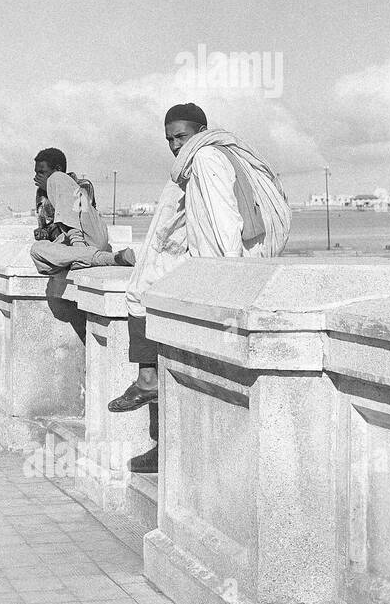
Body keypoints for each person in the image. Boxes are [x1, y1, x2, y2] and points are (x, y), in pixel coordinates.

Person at [110, 103, 291, 473]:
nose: (175, 145)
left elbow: (225, 218)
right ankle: (158, 426)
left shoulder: (206, 157)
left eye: (181, 136)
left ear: (201, 130)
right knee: (145, 297)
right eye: (169, 139)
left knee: (142, 297)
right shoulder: (208, 155)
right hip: (206, 264)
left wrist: (229, 278)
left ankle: (150, 389)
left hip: (217, 270)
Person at [29, 148, 135, 273]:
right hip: (70, 247)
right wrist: (44, 232)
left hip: (89, 237)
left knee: (56, 179)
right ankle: (103, 258)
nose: (36, 177)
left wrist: (51, 185)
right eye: (36, 173)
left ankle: (80, 251)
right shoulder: (41, 194)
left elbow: (78, 216)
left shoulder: (82, 184)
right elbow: (50, 230)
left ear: (57, 169)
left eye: (41, 172)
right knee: (36, 250)